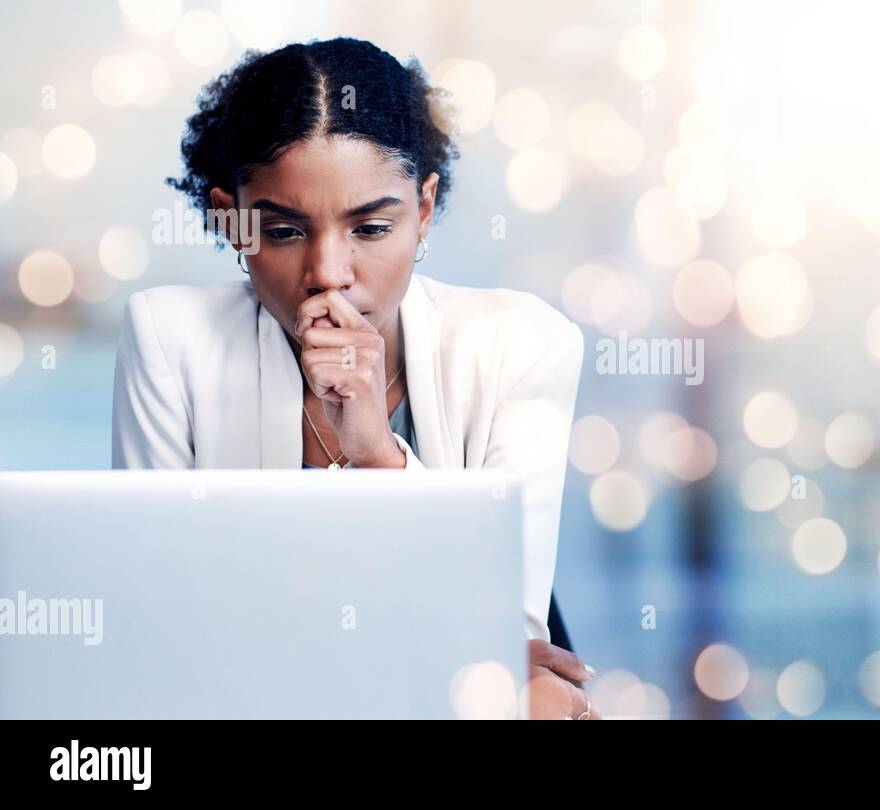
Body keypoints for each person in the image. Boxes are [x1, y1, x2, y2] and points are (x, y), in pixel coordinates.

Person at [111, 37, 599, 719]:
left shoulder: (521, 343)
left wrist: (377, 453)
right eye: (282, 232)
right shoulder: (169, 339)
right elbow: (159, 622)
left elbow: (502, 629)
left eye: (370, 228)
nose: (328, 273)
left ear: (423, 211)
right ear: (231, 220)